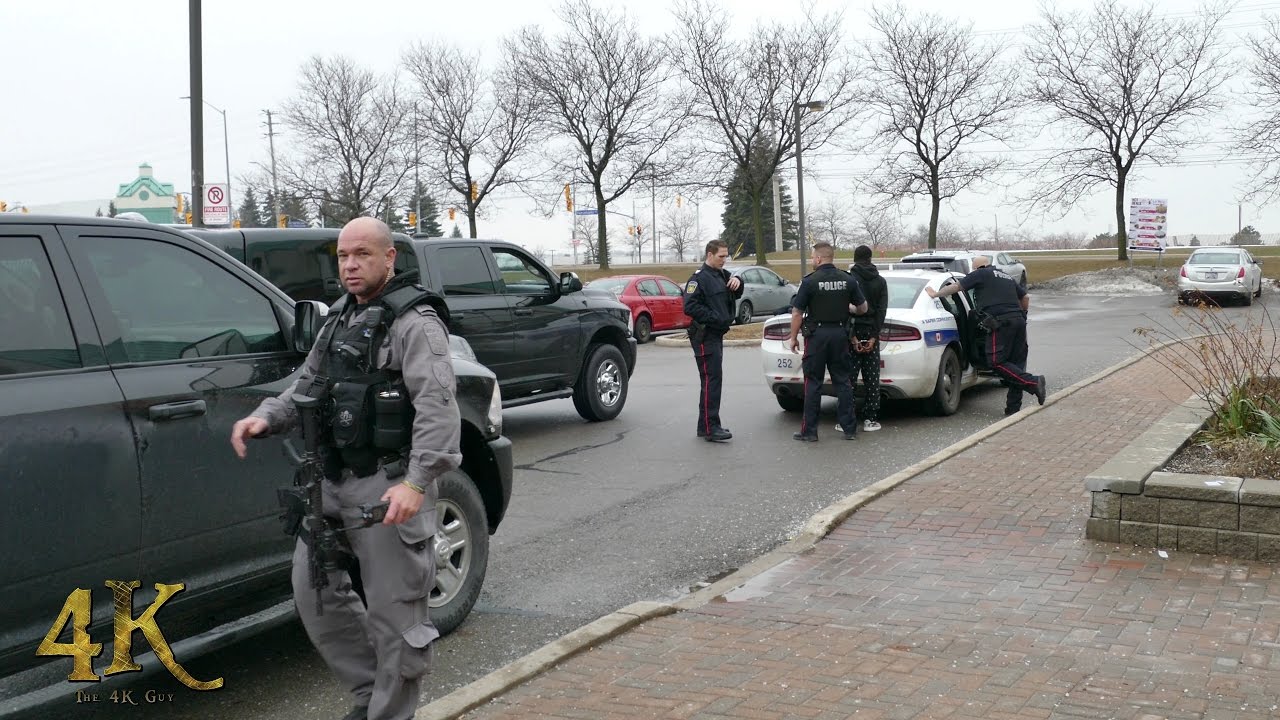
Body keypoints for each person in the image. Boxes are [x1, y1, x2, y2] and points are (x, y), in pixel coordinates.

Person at [230, 217, 461, 720]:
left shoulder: (415, 323)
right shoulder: (339, 319)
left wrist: (417, 483)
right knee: (314, 594)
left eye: (362, 254)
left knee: (395, 616)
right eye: (343, 256)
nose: (351, 265)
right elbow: (307, 385)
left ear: (389, 257)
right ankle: (367, 699)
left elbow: (439, 408)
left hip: (389, 486)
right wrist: (265, 417)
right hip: (330, 483)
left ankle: (388, 713)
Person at [925, 254, 1046, 415]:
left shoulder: (981, 274)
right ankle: (1013, 409)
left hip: (1000, 324)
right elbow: (1025, 297)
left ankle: (1033, 382)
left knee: (996, 362)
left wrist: (936, 294)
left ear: (977, 268)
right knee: (1016, 365)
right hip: (1018, 322)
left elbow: (956, 287)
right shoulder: (1006, 276)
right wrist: (1023, 315)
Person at [788, 241, 868, 442]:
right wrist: (849, 309)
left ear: (818, 258)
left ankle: (810, 431)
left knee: (813, 382)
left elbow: (797, 312)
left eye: (813, 257)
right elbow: (863, 308)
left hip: (817, 337)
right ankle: (849, 429)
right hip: (840, 335)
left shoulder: (809, 281)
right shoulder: (847, 280)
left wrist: (793, 338)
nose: (812, 260)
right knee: (843, 381)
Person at [682, 239, 744, 442]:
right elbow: (690, 306)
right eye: (721, 256)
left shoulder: (721, 274)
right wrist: (715, 318)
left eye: (726, 256)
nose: (724, 260)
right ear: (709, 255)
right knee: (712, 380)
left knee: (711, 379)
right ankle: (711, 427)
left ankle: (704, 426)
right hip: (705, 334)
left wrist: (738, 282)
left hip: (716, 334)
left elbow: (736, 290)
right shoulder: (698, 280)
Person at [848, 245, 888, 432]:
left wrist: (852, 336)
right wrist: (873, 337)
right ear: (870, 258)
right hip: (872, 331)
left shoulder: (849, 280)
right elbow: (881, 311)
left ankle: (846, 418)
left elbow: (844, 310)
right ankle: (870, 419)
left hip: (853, 331)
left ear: (855, 259)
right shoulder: (880, 281)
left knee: (849, 378)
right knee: (872, 378)